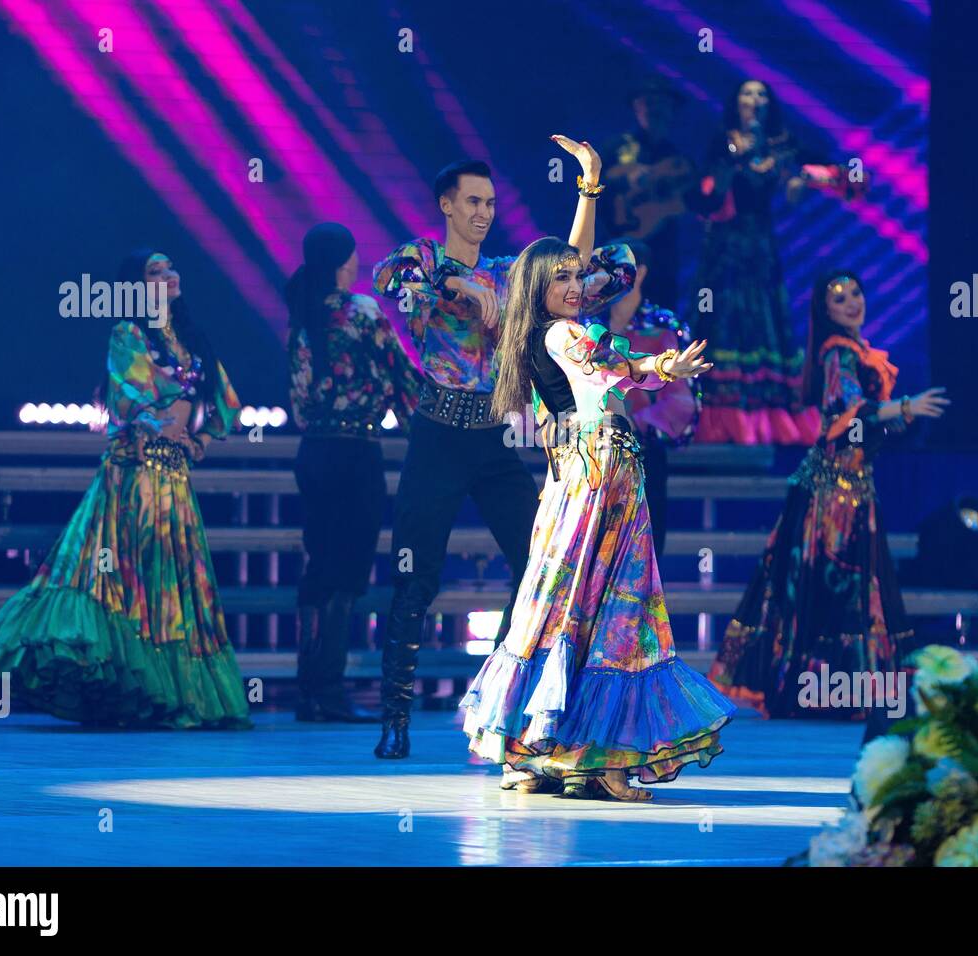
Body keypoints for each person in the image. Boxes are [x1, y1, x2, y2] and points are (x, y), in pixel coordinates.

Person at [460, 136, 734, 801]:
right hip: (597, 476)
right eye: (561, 280)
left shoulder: (545, 326)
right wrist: (666, 366)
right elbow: (616, 367)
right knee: (615, 611)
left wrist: (589, 188)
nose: (577, 284)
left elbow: (571, 264)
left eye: (575, 277)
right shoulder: (562, 334)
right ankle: (603, 757)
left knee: (561, 608)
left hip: (586, 476)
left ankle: (537, 752)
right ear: (538, 289)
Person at [370, 149, 632, 759]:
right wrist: (455, 282)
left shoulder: (511, 273)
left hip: (493, 437)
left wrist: (588, 189)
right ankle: (395, 718)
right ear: (447, 205)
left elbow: (591, 264)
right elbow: (390, 279)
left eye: (490, 203)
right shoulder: (426, 259)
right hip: (436, 434)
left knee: (538, 560)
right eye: (472, 202)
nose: (484, 213)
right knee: (416, 576)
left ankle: (496, 695)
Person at [0, 250, 251, 728]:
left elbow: (228, 404)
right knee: (131, 585)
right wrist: (161, 425)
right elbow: (131, 400)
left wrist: (200, 442)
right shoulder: (128, 334)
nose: (169, 275)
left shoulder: (191, 339)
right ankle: (134, 695)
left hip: (175, 486)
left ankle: (173, 697)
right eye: (156, 272)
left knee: (169, 590)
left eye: (171, 268)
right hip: (133, 479)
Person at [708, 271, 948, 740]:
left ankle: (843, 693)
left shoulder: (856, 350)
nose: (852, 302)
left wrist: (897, 414)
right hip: (830, 496)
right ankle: (826, 693)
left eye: (855, 293)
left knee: (842, 594)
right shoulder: (837, 352)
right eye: (839, 299)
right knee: (833, 593)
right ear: (827, 311)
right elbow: (846, 410)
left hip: (853, 487)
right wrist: (904, 408)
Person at [287, 223, 421, 722]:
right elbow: (403, 375)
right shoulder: (362, 311)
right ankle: (330, 689)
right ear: (344, 260)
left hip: (314, 451)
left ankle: (311, 691)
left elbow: (299, 402)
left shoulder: (301, 315)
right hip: (357, 451)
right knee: (347, 570)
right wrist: (423, 432)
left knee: (319, 564)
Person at [685, 78, 823, 446]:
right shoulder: (722, 141)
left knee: (762, 320)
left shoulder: (781, 145)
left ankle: (764, 419)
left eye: (762, 94)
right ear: (737, 101)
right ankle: (716, 418)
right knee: (723, 321)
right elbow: (702, 195)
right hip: (725, 246)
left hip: (760, 245)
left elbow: (817, 168)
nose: (755, 99)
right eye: (747, 92)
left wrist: (802, 180)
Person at [586, 236, 700, 563]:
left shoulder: (662, 325)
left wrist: (635, 424)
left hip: (643, 453)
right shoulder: (587, 324)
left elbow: (682, 400)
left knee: (643, 553)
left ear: (641, 271)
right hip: (592, 455)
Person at [600, 76, 695, 312]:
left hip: (663, 251)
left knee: (661, 309)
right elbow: (595, 188)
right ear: (637, 106)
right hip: (620, 243)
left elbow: (696, 201)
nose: (656, 110)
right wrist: (625, 177)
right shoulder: (617, 148)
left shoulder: (679, 158)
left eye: (662, 104)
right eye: (649, 103)